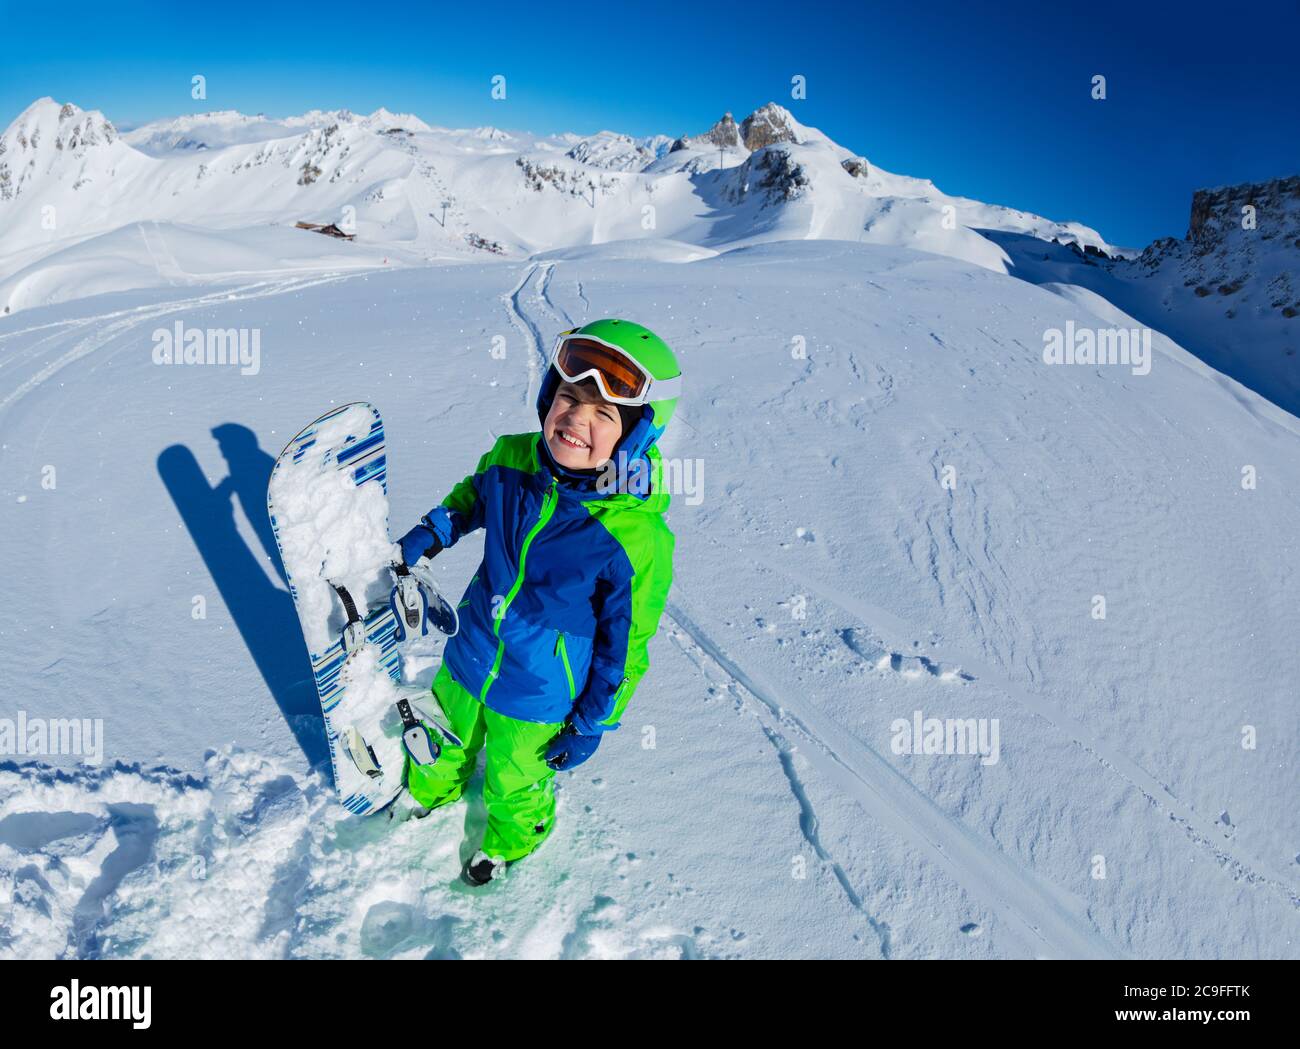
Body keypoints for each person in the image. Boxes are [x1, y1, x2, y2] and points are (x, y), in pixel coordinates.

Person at [398, 318, 681, 886]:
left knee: (514, 775)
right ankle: (426, 793)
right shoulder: (512, 459)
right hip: (471, 645)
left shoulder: (634, 537)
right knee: (441, 732)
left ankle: (510, 839)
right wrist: (433, 533)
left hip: (541, 689)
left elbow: (626, 647)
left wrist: (593, 721)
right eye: (569, 398)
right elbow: (472, 499)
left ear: (634, 438)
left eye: (604, 415)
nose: (577, 419)